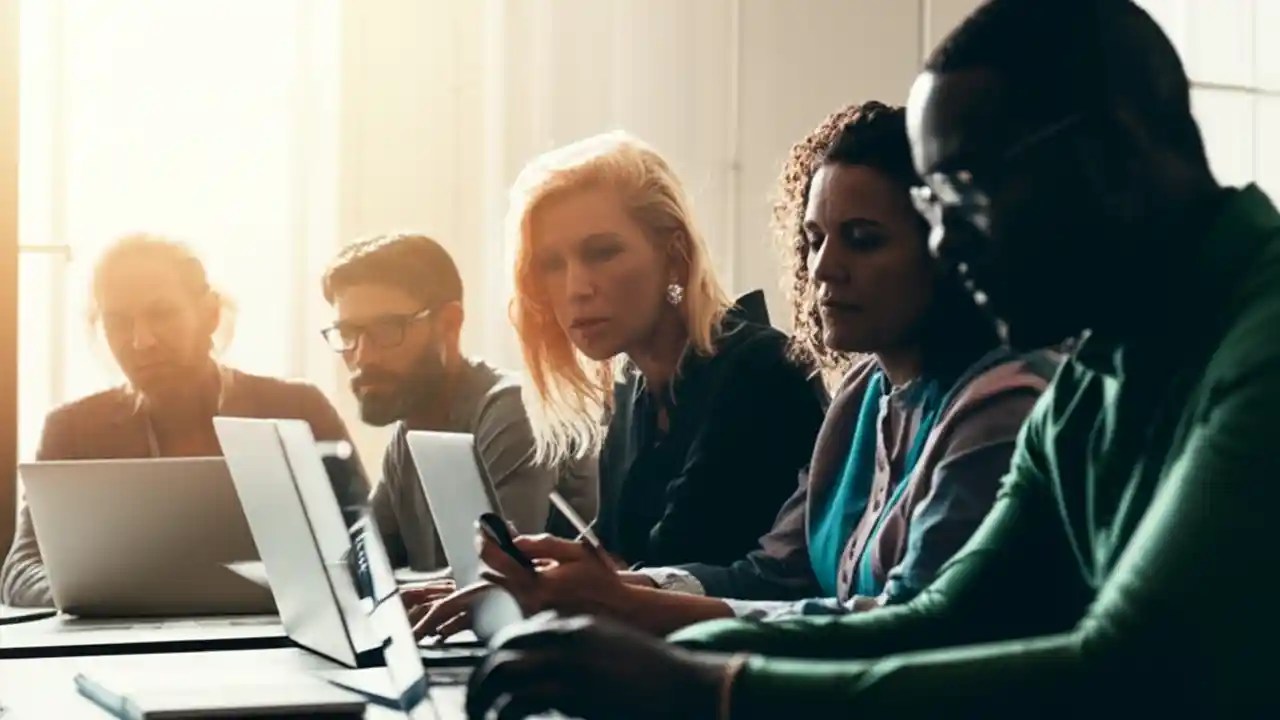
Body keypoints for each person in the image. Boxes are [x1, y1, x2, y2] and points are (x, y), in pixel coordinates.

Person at [463, 1, 1280, 717]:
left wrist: (705, 688)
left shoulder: (1259, 342)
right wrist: (674, 660)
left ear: (1109, 153)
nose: (944, 239)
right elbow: (945, 618)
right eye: (932, 206)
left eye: (962, 192)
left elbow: (1134, 672)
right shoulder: (1092, 379)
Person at [413, 102, 1057, 640]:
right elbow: (773, 573)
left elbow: (908, 632)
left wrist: (621, 599)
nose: (823, 270)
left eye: (862, 239)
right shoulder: (863, 393)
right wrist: (580, 587)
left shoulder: (998, 406)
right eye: (813, 240)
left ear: (946, 243)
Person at [503, 130, 826, 570]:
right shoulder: (629, 394)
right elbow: (621, 562)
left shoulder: (763, 373)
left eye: (602, 253)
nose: (576, 288)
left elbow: (687, 569)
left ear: (674, 254)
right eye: (551, 264)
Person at [0, 234, 352, 607]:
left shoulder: (297, 409)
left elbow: (360, 548)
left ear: (210, 315)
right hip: (124, 646)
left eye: (161, 315)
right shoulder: (72, 429)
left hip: (276, 640)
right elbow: (20, 569)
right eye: (118, 322)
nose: (141, 341)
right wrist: (108, 596)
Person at [321, 233, 597, 572]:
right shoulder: (408, 436)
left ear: (449, 324)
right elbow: (367, 569)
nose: (362, 356)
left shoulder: (513, 411)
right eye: (348, 333)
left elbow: (500, 574)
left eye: (387, 329)